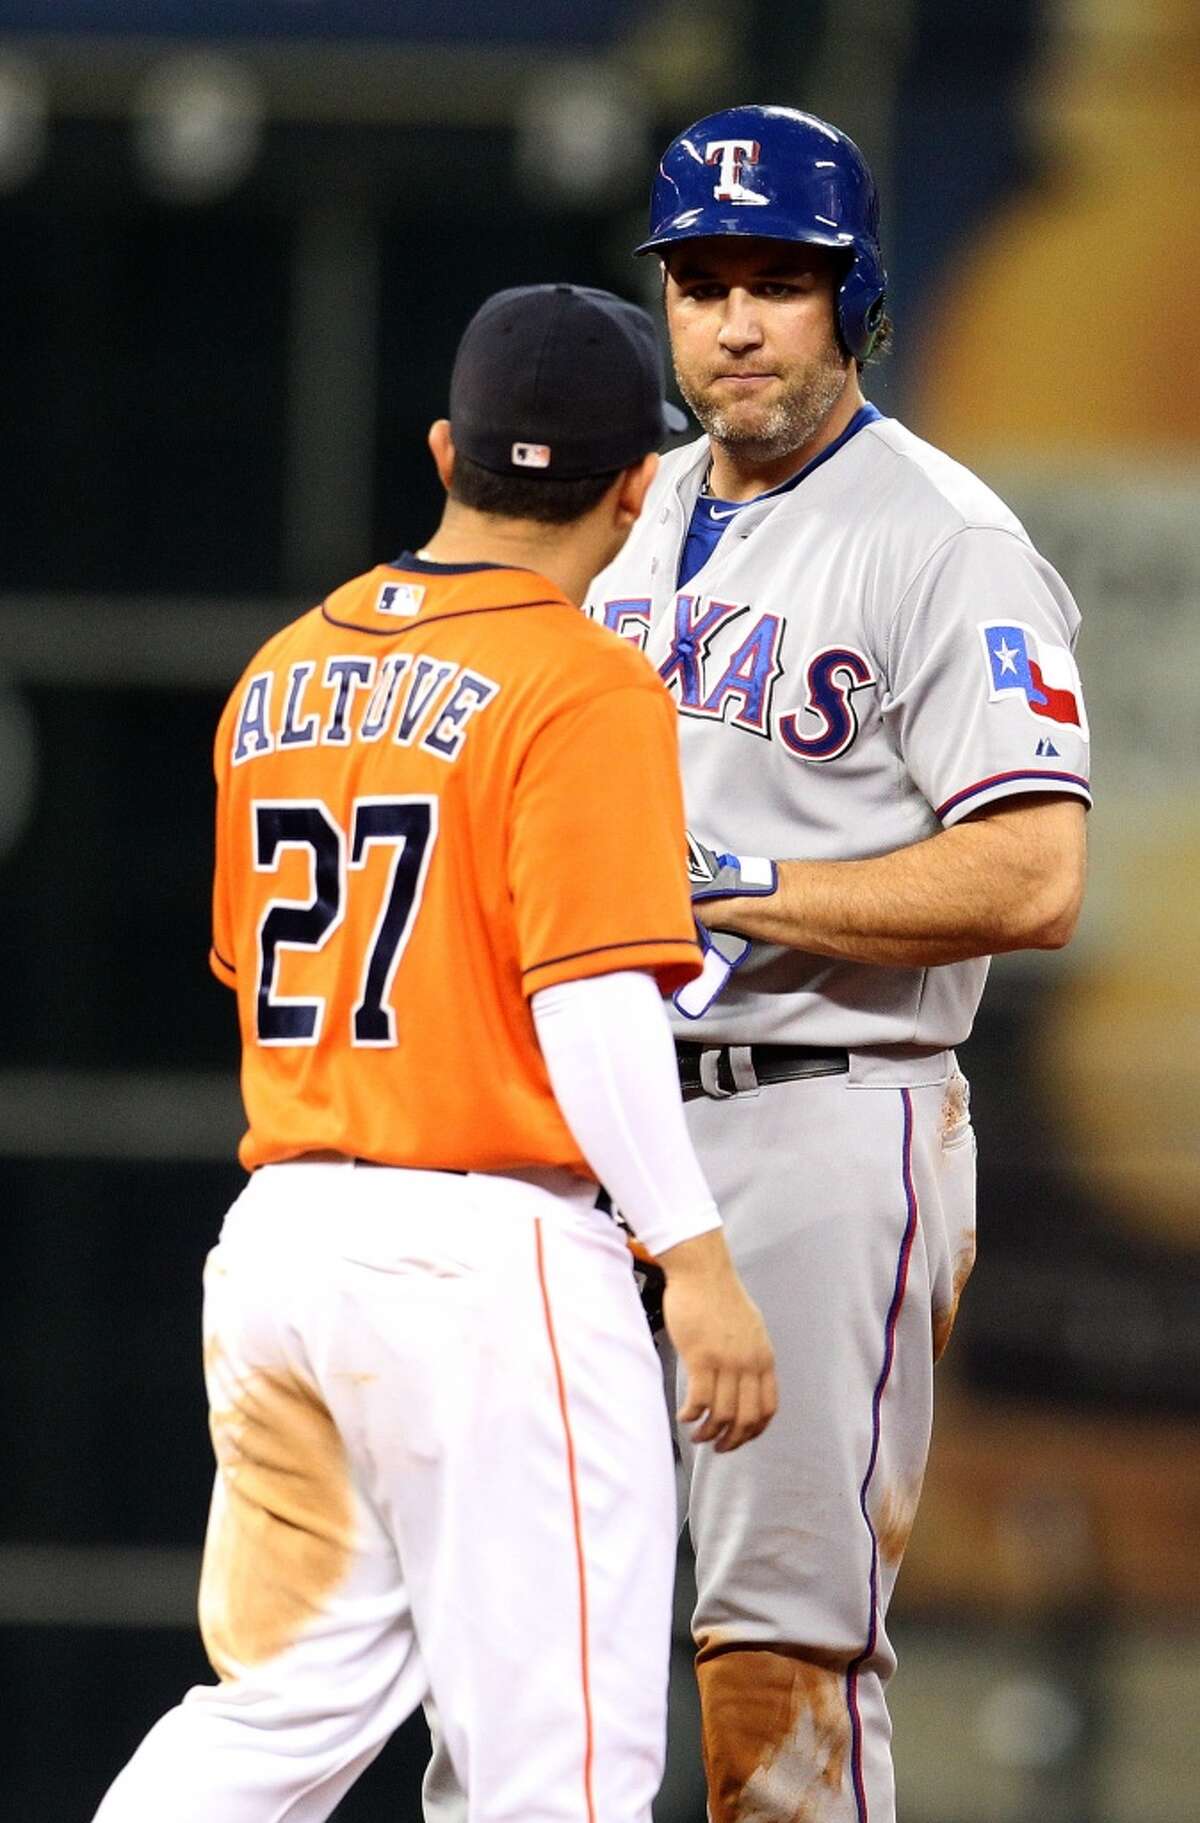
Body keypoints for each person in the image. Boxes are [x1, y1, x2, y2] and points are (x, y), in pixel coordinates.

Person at [91, 282, 777, 1823]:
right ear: (636, 487)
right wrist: (696, 1258)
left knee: (275, 1714)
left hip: (283, 1239)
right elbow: (590, 1001)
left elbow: (252, 973)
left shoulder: (279, 670)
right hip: (484, 1261)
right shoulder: (579, 679)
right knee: (561, 1769)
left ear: (447, 451)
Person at [582, 107, 1091, 1823]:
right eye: (701, 283)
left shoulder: (945, 537)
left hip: (822, 1114)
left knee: (777, 1651)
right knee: (546, 1626)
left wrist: (740, 883)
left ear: (855, 297)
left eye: (778, 284)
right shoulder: (628, 512)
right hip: (607, 1132)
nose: (734, 323)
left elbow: (1035, 872)